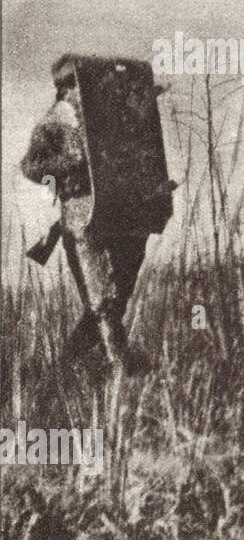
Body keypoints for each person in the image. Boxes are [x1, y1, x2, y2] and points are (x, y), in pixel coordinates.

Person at [21, 56, 151, 372]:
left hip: (123, 213)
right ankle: (121, 371)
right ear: (66, 88)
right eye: (79, 86)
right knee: (103, 302)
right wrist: (66, 166)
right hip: (80, 217)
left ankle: (65, 366)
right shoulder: (52, 123)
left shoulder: (109, 116)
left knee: (116, 299)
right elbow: (32, 168)